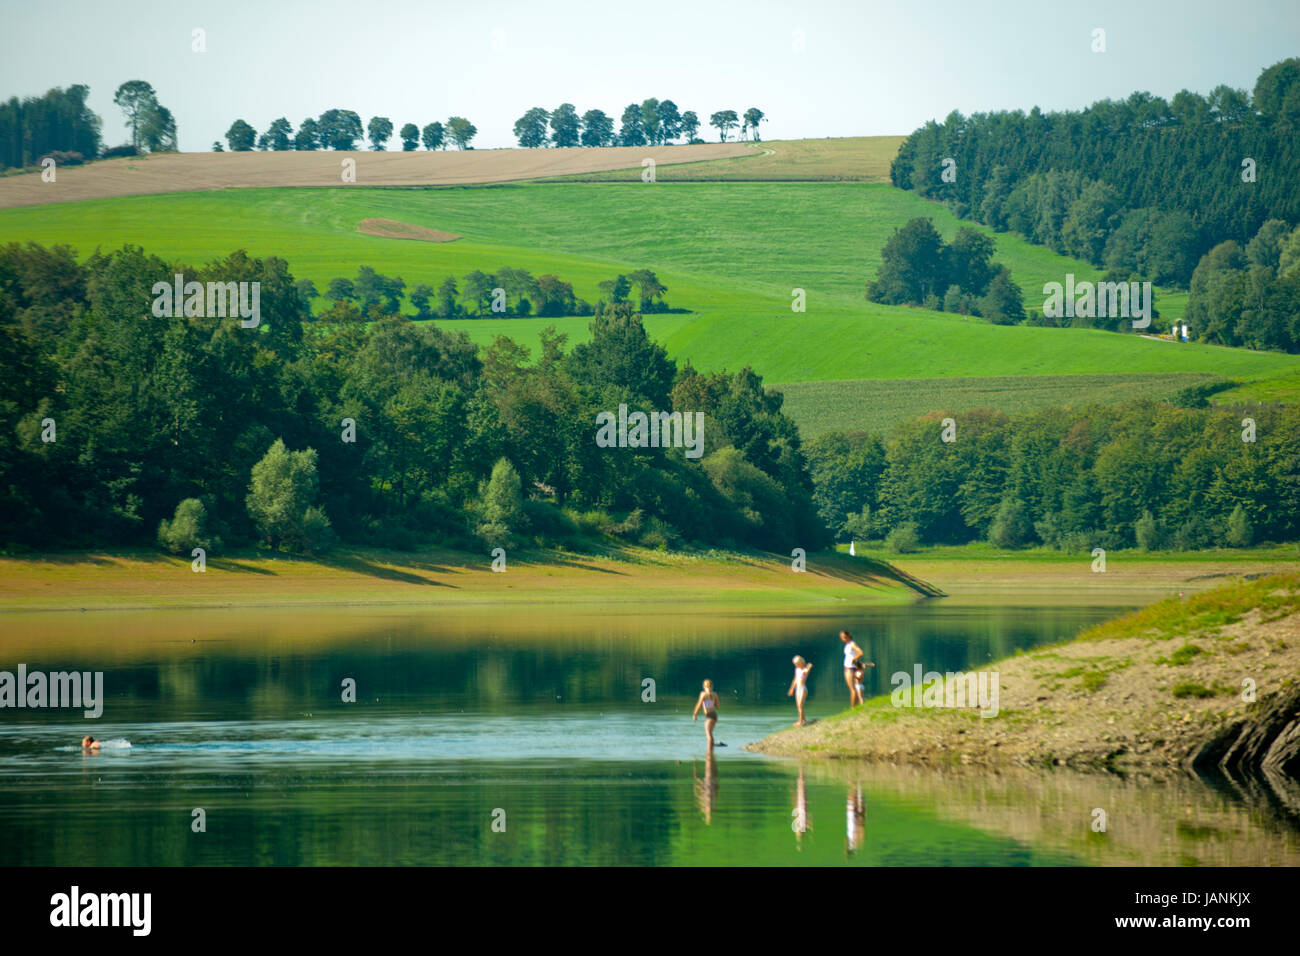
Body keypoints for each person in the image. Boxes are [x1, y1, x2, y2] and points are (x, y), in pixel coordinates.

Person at [840, 630, 869, 707]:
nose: (843, 639)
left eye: (845, 637)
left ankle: (852, 708)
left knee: (852, 689)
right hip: (851, 667)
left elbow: (861, 653)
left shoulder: (852, 644)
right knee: (854, 689)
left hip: (849, 668)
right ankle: (854, 707)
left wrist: (854, 659)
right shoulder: (849, 644)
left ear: (849, 636)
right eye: (842, 638)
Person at [692, 679, 720, 750]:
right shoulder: (715, 694)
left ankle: (709, 752)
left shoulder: (703, 694)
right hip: (714, 715)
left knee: (708, 735)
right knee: (710, 733)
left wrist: (695, 714)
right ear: (712, 686)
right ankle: (712, 750)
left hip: (709, 716)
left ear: (704, 686)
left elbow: (699, 705)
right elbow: (717, 706)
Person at [787, 656, 813, 726]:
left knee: (800, 705)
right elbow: (795, 680)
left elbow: (805, 674)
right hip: (797, 689)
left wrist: (809, 667)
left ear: (801, 662)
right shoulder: (797, 669)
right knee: (798, 706)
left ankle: (801, 721)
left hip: (803, 689)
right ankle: (802, 719)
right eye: (795, 664)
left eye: (798, 664)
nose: (796, 665)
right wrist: (791, 689)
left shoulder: (805, 670)